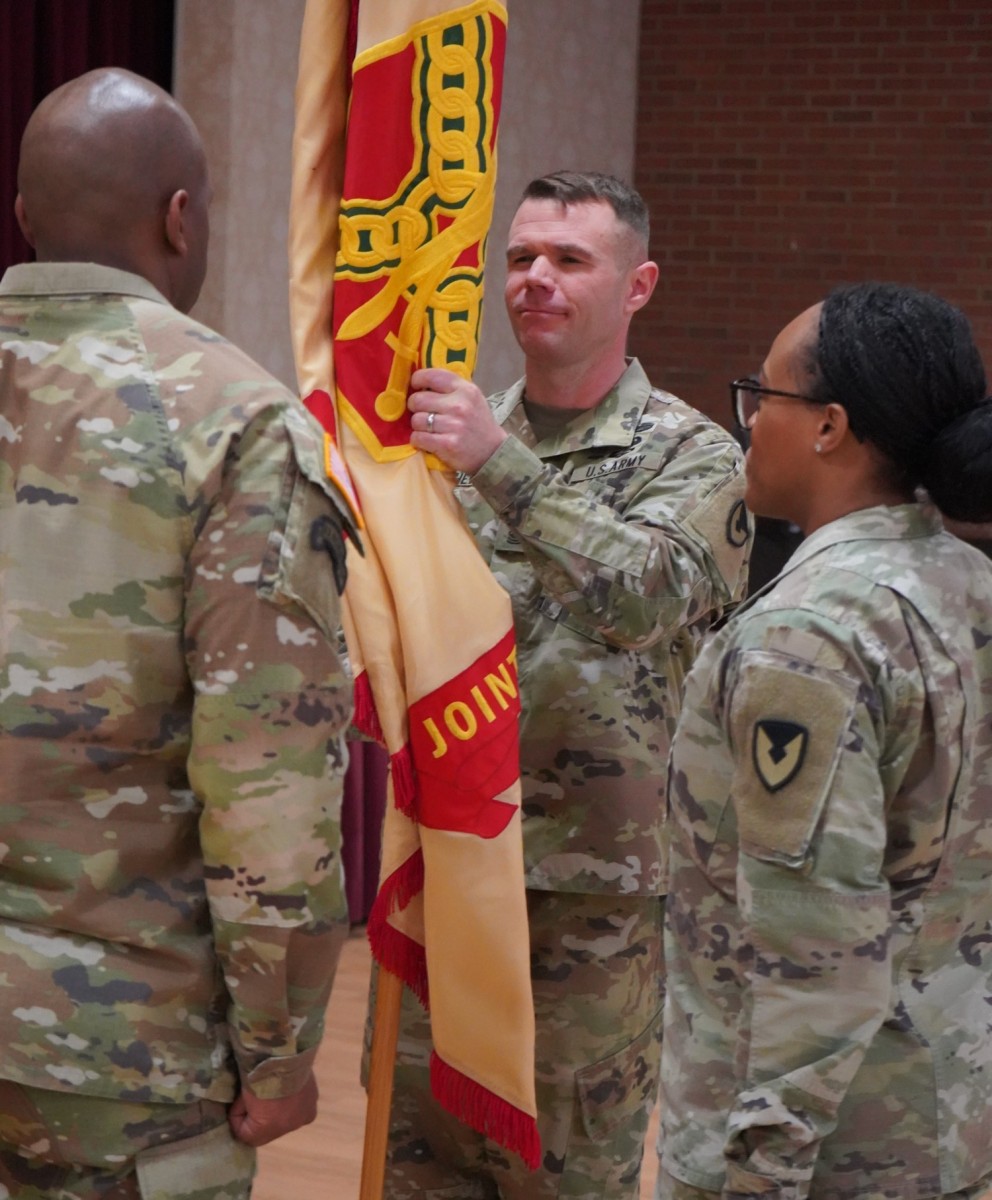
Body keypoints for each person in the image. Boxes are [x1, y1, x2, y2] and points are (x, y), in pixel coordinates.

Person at [0, 69, 359, 1199]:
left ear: (25, 217)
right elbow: (271, 787)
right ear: (180, 217)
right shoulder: (234, 420)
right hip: (116, 1063)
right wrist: (279, 1044)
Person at [382, 171, 751, 1199]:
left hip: (592, 893)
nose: (534, 279)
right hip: (447, 861)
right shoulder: (435, 446)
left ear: (636, 287)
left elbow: (642, 596)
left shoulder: (694, 455)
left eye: (568, 260)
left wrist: (497, 464)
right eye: (519, 258)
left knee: (562, 1170)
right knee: (418, 1157)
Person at [658, 282, 992, 1200]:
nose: (750, 421)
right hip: (948, 1120)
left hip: (820, 1155)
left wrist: (761, 1171)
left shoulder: (809, 636)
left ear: (829, 427)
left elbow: (818, 952)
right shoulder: (968, 581)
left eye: (761, 395)